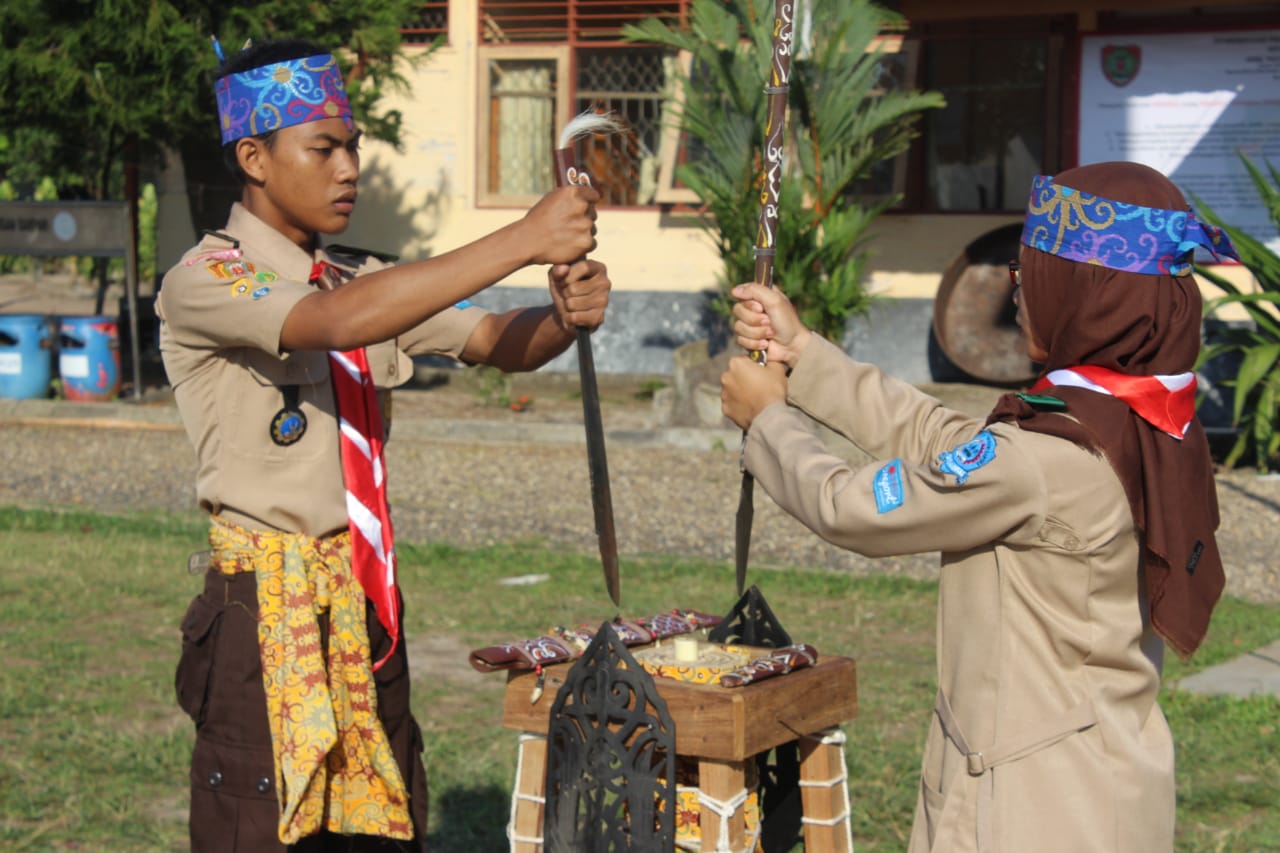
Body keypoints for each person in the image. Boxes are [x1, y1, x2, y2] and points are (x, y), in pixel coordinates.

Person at [158, 38, 610, 852]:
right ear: (254, 158)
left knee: (383, 820)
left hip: (365, 600)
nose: (349, 168)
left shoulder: (353, 279)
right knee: (261, 828)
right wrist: (521, 238)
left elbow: (494, 340)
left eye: (354, 146)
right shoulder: (207, 278)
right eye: (324, 147)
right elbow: (332, 326)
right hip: (263, 619)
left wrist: (561, 317)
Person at [720, 161, 1239, 852]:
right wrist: (806, 356)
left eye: (1039, 266)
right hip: (1108, 780)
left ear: (1090, 294)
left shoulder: (1045, 456)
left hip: (1026, 807)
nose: (1019, 284)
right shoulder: (1140, 416)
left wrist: (769, 422)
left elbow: (854, 506)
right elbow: (957, 444)